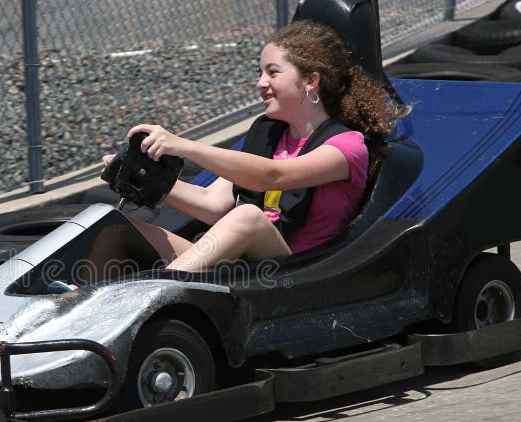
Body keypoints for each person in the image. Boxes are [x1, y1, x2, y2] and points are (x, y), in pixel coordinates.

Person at [103, 20, 399, 274]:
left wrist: (185, 146)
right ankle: (81, 297)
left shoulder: (347, 147)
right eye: (260, 73)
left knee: (248, 217)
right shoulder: (268, 136)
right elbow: (213, 203)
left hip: (297, 272)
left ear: (311, 81)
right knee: (115, 224)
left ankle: (148, 294)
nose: (261, 83)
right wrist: (142, 177)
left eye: (273, 72)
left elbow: (274, 176)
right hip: (244, 265)